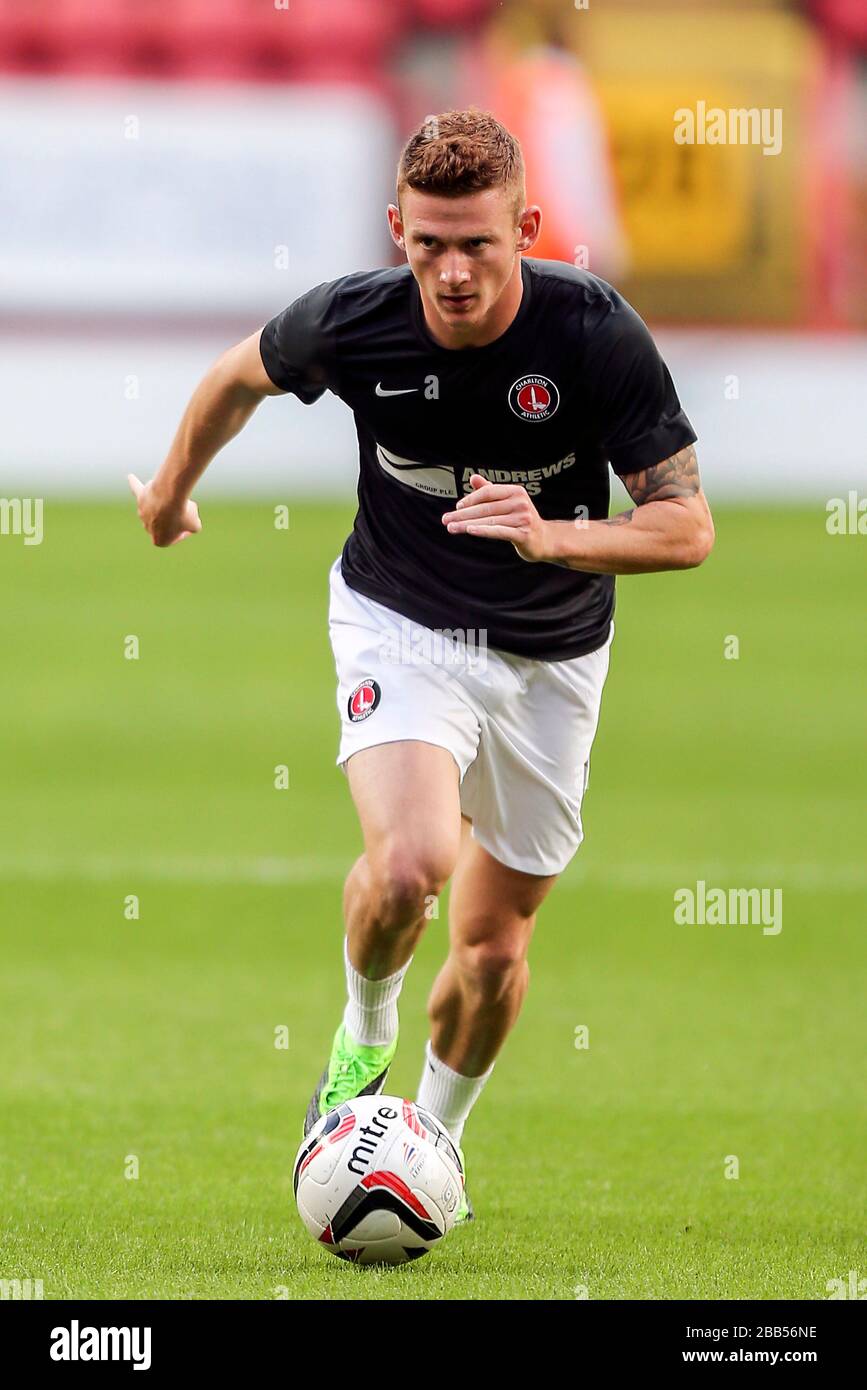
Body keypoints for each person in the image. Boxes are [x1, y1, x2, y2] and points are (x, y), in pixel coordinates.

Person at [130, 108, 714, 1227]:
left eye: (478, 245)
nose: (451, 272)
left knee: (494, 952)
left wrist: (555, 534)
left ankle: (430, 1137)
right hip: (400, 621)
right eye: (429, 244)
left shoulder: (592, 334)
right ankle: (363, 1035)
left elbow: (686, 525)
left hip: (553, 657)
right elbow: (233, 378)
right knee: (409, 866)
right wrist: (168, 493)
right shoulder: (355, 322)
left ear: (526, 229)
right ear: (397, 229)